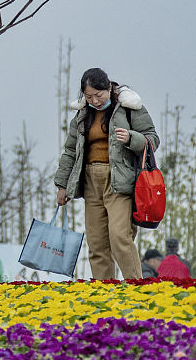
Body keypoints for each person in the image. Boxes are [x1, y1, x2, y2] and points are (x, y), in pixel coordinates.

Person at [54, 68, 160, 280]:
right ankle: (104, 290)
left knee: (120, 236)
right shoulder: (82, 114)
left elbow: (152, 139)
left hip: (119, 179)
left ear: (109, 87)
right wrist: (62, 184)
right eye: (89, 96)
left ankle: (136, 285)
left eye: (99, 94)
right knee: (96, 242)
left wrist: (131, 138)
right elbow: (70, 151)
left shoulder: (129, 107)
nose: (95, 100)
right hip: (90, 180)